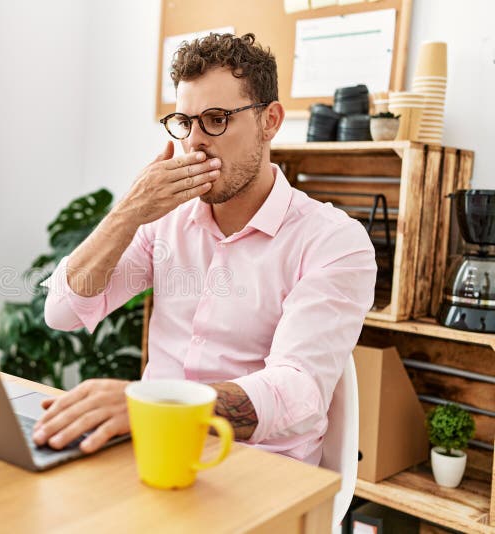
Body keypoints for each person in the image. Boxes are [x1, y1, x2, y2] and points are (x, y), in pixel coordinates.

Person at [33, 33, 377, 465]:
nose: (195, 141)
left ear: (270, 121)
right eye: (185, 122)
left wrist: (159, 404)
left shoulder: (333, 241)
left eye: (216, 119)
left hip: (259, 468)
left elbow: (297, 391)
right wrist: (128, 211)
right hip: (156, 448)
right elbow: (62, 313)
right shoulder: (163, 218)